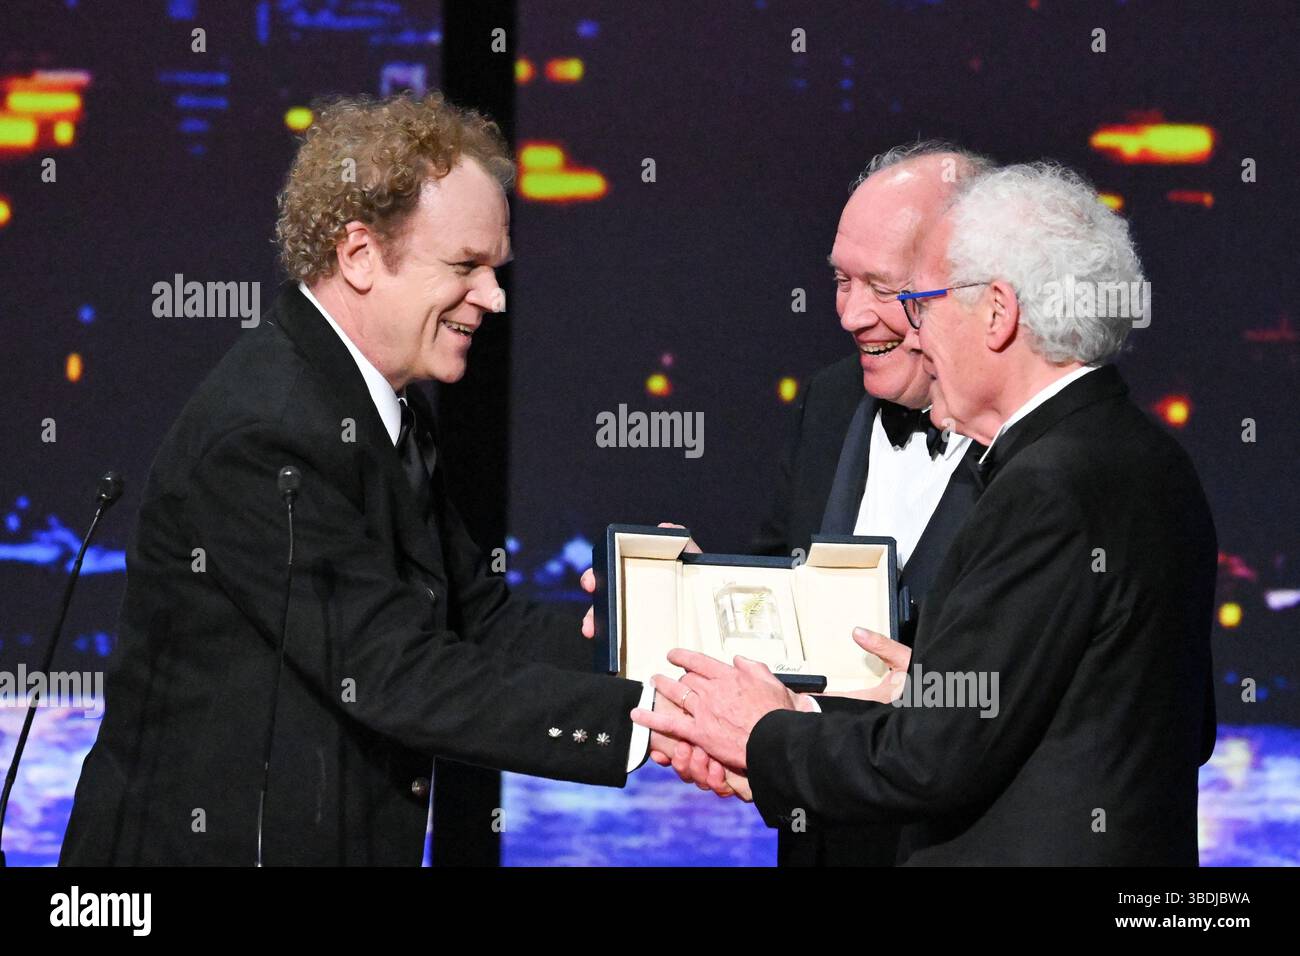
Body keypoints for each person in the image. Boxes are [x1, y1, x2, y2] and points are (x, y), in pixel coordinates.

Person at [60, 93, 677, 866]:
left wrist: (647, 633)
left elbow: (477, 622)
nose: (493, 297)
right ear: (359, 255)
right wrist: (655, 719)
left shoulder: (383, 411)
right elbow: (393, 672)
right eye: (465, 266)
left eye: (496, 269)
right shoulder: (265, 434)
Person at [635, 161, 1218, 865]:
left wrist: (763, 735)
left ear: (998, 312)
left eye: (925, 300)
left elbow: (931, 758)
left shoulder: (1045, 486)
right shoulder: (1145, 454)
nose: (913, 327)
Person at [668, 143, 994, 866]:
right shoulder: (831, 400)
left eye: (882, 286)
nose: (851, 314)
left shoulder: (1038, 449)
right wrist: (681, 593)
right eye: (841, 281)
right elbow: (779, 589)